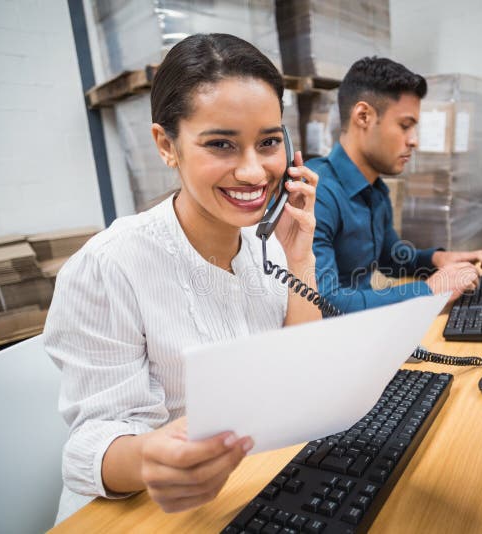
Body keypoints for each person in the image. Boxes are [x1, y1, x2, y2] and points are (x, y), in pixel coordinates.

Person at [44, 33, 321, 522]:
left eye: (269, 142)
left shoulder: (265, 242)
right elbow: (89, 444)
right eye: (221, 144)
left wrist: (300, 259)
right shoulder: (109, 266)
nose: (254, 172)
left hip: (249, 484)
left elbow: (300, 369)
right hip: (141, 511)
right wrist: (150, 455)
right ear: (166, 145)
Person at [307, 57, 482, 314]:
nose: (414, 140)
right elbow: (323, 302)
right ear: (363, 116)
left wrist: (437, 259)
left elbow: (390, 257)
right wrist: (429, 290)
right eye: (405, 126)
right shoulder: (316, 194)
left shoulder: (375, 190)